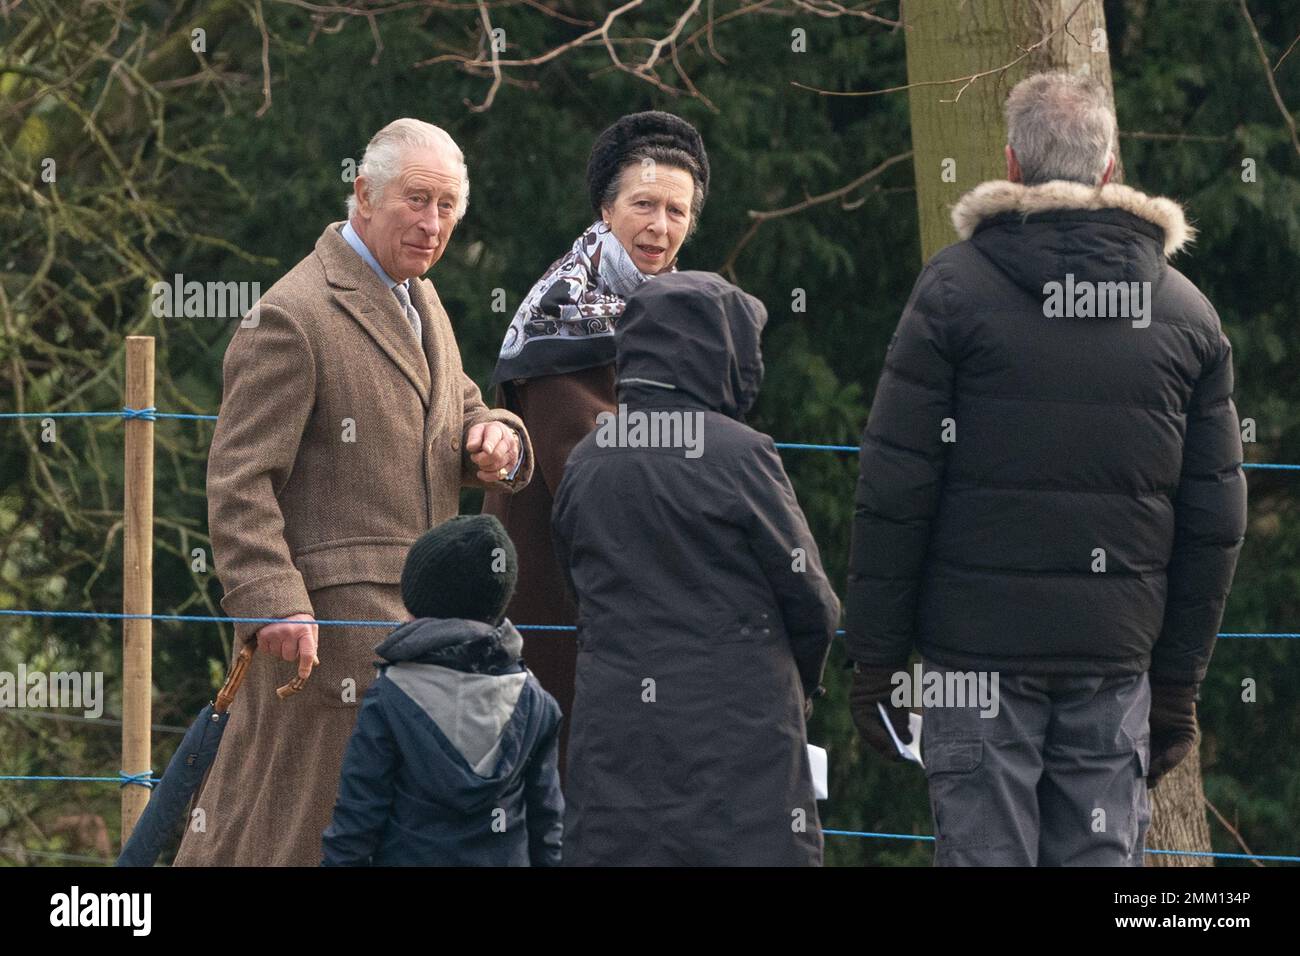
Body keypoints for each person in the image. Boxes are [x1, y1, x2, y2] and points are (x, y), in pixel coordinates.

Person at [844, 72, 1247, 866]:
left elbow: (894, 487)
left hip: (972, 660)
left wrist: (877, 661)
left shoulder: (951, 291)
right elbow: (1216, 523)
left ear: (1011, 162)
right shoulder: (1187, 314)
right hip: (1114, 663)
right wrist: (1178, 685)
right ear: (1109, 167)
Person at [175, 119, 533, 867]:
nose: (432, 224)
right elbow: (240, 477)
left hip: (418, 634)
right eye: (417, 200)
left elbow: (455, 406)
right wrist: (273, 596)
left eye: (446, 208)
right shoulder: (293, 314)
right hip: (325, 639)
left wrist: (493, 433)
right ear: (363, 194)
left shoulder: (420, 300)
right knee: (296, 832)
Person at [552, 271, 840, 866]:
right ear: (726, 351)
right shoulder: (740, 453)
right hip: (739, 728)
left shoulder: (586, 460)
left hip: (618, 729)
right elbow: (812, 598)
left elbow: (576, 581)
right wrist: (797, 686)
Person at [481, 111, 710, 775]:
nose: (660, 227)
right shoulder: (565, 315)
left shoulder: (679, 308)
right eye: (643, 205)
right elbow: (595, 474)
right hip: (567, 602)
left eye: (677, 210)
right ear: (607, 209)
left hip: (639, 599)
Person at [321, 515, 563, 866]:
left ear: (417, 601)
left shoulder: (388, 697)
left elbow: (356, 823)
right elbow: (547, 827)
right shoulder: (535, 700)